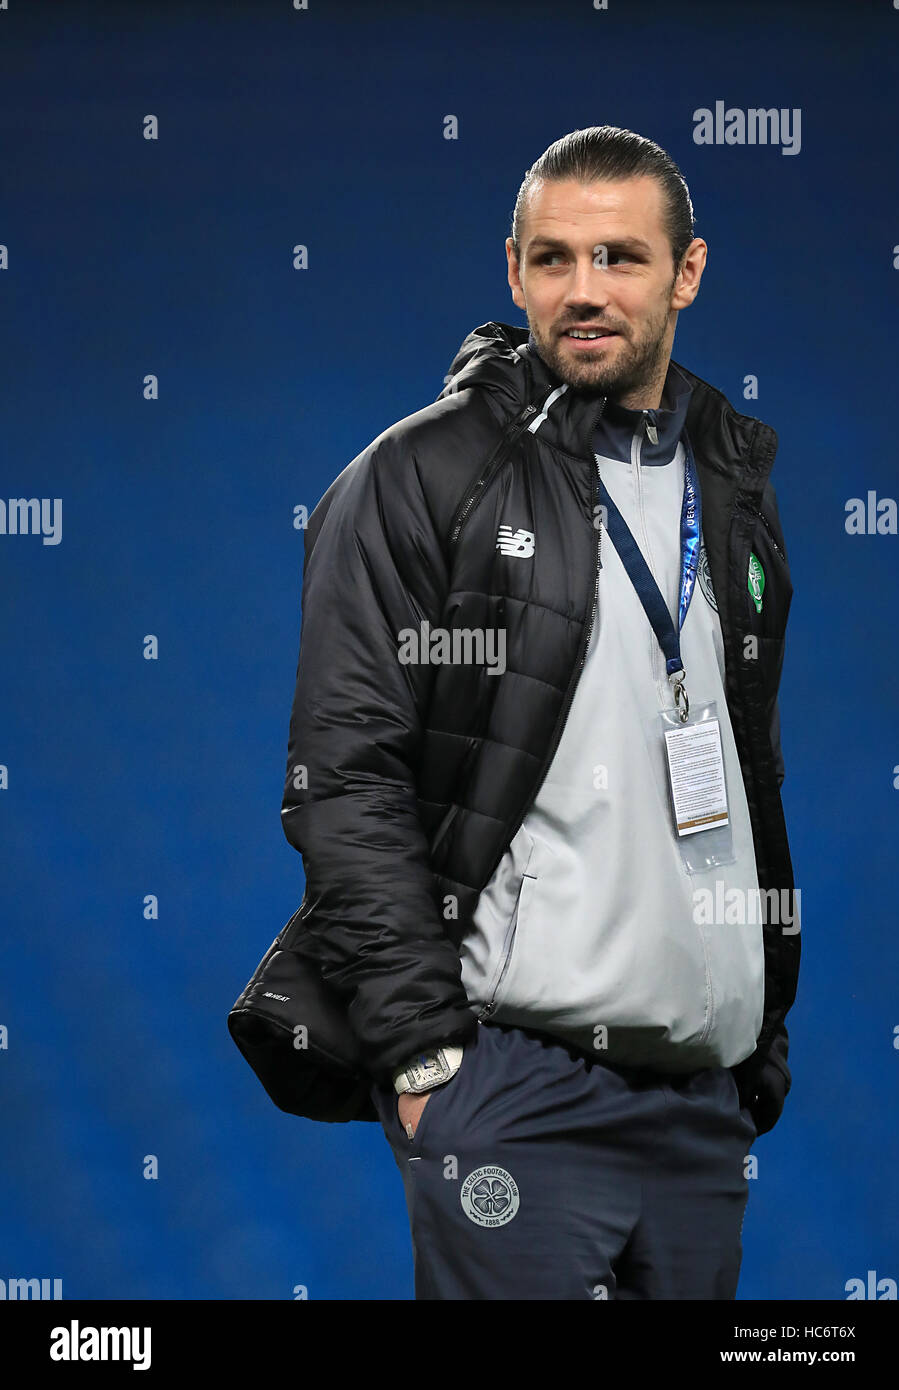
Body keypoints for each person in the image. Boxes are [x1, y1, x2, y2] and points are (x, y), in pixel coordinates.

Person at [280, 125, 799, 1300]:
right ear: (512, 273)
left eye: (619, 257)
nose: (584, 290)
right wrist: (425, 1061)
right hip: (515, 1092)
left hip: (699, 1107)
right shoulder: (416, 478)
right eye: (553, 259)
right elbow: (342, 778)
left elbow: (748, 775)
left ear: (687, 273)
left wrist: (753, 1046)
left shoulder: (733, 489)